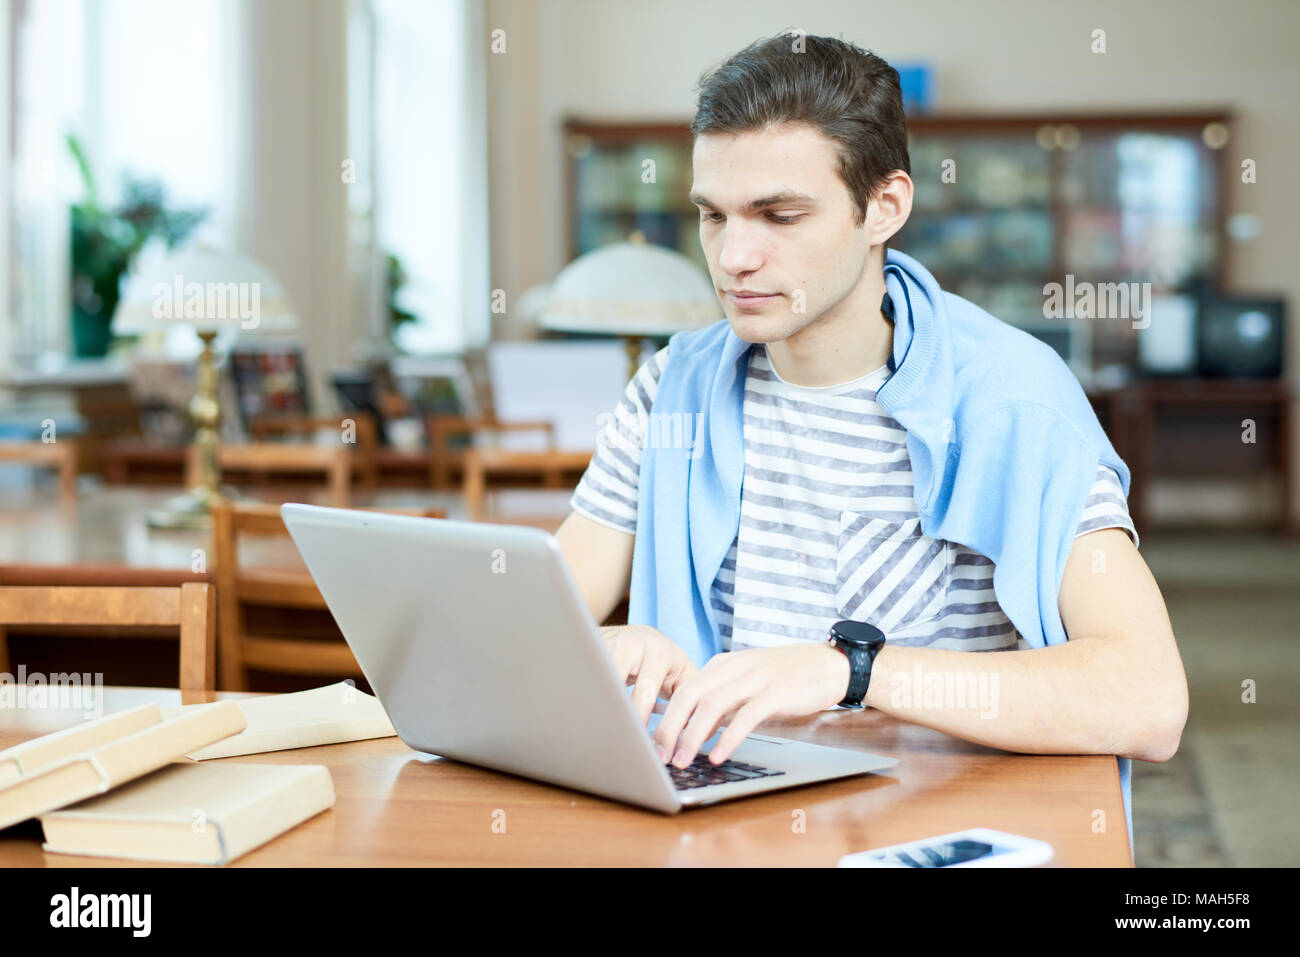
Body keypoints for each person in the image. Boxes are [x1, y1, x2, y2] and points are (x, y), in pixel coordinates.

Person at [554, 32, 1187, 842]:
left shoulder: (1016, 401)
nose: (733, 257)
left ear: (884, 206)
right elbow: (540, 625)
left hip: (932, 828)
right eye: (712, 215)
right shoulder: (674, 387)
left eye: (780, 214)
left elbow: (1148, 697)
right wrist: (603, 646)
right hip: (725, 827)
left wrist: (853, 673)